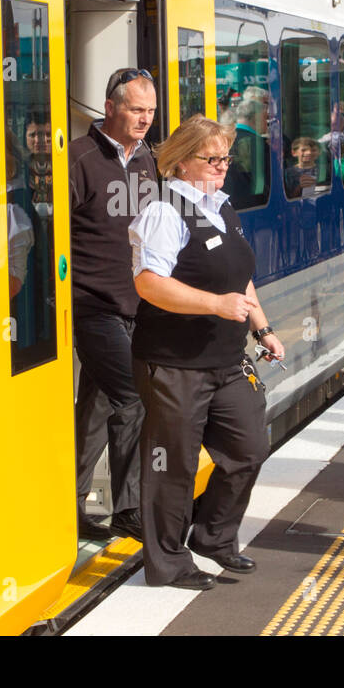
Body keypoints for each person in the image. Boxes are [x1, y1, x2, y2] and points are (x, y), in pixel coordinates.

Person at [130, 115, 284, 590]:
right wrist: (214, 305)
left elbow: (238, 278)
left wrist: (263, 328)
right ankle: (168, 563)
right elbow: (149, 283)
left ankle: (214, 536)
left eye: (225, 158)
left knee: (249, 449)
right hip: (175, 363)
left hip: (226, 359)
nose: (222, 167)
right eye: (211, 158)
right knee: (172, 465)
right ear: (179, 162)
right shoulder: (163, 211)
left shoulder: (222, 207)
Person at [69, 68, 158, 543]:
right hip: (93, 304)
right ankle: (127, 508)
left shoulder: (149, 160)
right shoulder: (79, 158)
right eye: (135, 109)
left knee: (98, 404)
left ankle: (70, 500)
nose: (145, 119)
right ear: (110, 107)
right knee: (134, 398)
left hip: (138, 305)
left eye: (150, 111)